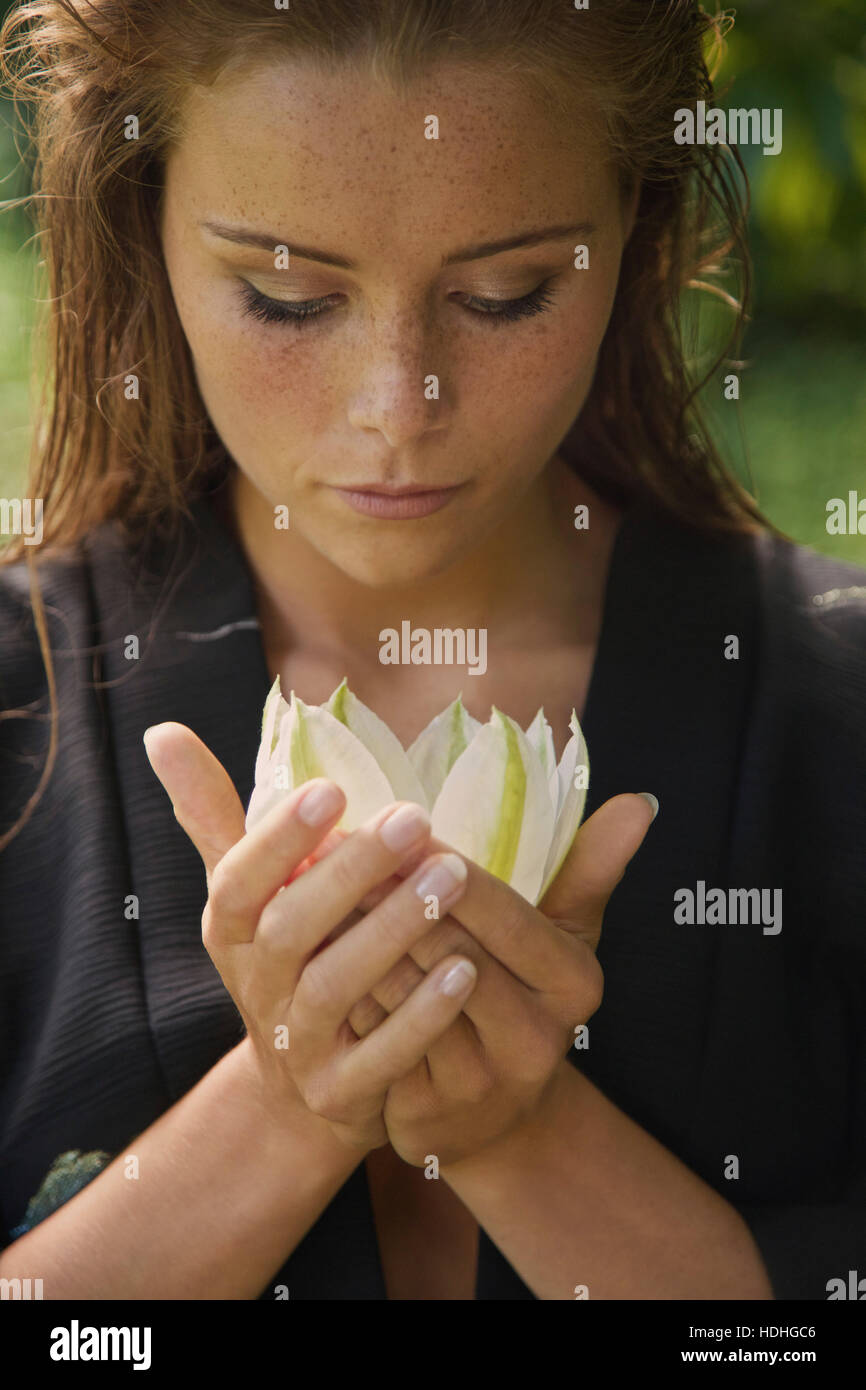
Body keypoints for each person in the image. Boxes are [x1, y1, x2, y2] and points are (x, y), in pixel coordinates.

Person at [0, 0, 863, 1302]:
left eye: (505, 293)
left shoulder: (830, 713)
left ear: (634, 222)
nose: (398, 408)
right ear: (143, 221)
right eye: (285, 297)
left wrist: (524, 1141)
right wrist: (286, 1111)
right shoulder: (22, 708)